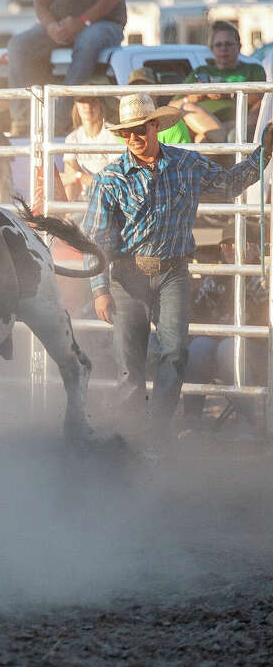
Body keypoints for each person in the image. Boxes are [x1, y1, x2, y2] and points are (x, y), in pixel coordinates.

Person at [82, 92, 273, 446]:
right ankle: (131, 433)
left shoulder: (186, 163)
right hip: (127, 275)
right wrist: (100, 289)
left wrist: (264, 153)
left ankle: (154, 433)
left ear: (155, 126)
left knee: (175, 353)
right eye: (127, 132)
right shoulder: (109, 179)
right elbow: (96, 239)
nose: (134, 137)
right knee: (130, 361)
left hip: (173, 272)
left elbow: (229, 184)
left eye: (140, 129)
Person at [6, 0, 130, 136]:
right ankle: (23, 122)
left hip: (104, 24)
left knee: (87, 42)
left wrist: (81, 22)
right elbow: (40, 0)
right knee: (18, 45)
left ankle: (59, 120)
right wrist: (51, 26)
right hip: (60, 25)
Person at [181, 224, 268, 432]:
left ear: (253, 247)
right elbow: (198, 311)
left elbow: (265, 321)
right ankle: (191, 420)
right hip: (221, 343)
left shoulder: (263, 278)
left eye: (237, 243)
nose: (229, 249)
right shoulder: (217, 275)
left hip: (258, 350)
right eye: (225, 245)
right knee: (198, 347)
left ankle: (247, 421)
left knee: (229, 349)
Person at [183, 21, 265, 142]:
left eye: (228, 44)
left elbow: (262, 99)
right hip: (206, 125)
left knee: (202, 139)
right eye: (218, 45)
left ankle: (222, 139)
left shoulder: (253, 69)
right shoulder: (200, 71)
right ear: (212, 49)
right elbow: (173, 106)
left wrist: (227, 93)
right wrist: (194, 97)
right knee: (187, 107)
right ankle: (224, 140)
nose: (223, 49)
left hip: (240, 125)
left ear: (239, 46)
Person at [126, 66, 221, 144]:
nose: (141, 92)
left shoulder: (172, 125)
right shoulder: (124, 129)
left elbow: (180, 158)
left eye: (146, 86)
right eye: (135, 87)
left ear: (157, 90)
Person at [60, 94, 115, 199]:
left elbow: (112, 182)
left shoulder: (113, 134)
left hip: (108, 200)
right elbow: (71, 182)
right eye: (83, 101)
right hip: (82, 202)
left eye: (93, 101)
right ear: (76, 105)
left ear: (100, 104)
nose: (88, 106)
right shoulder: (72, 139)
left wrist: (79, 176)